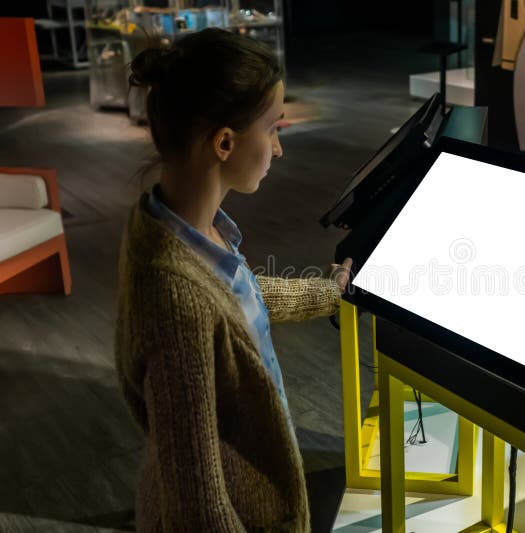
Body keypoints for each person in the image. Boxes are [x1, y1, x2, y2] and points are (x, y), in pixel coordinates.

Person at [114, 28, 351, 532]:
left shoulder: (172, 227)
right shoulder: (174, 297)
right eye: (273, 129)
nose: (279, 149)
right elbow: (197, 504)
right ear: (224, 142)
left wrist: (327, 294)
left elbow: (234, 296)